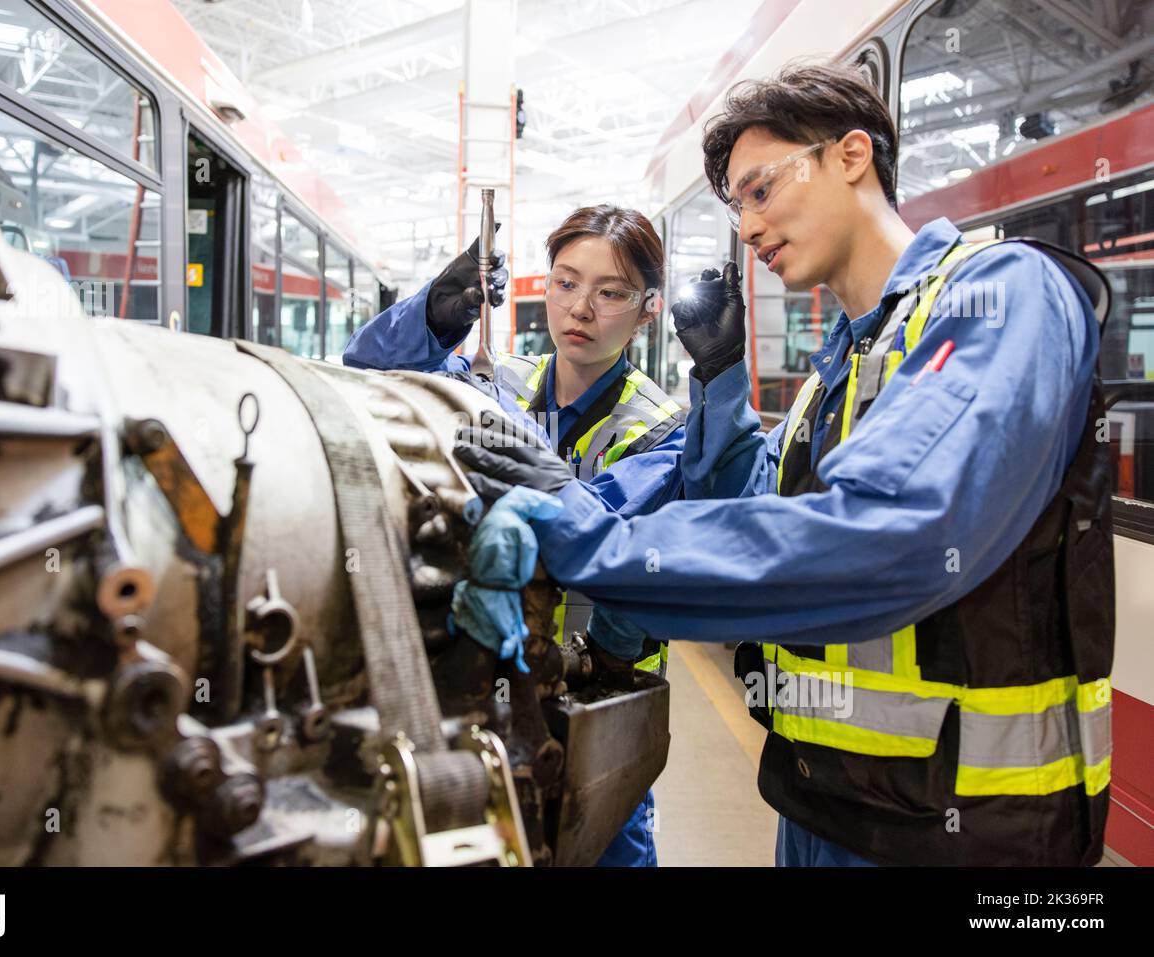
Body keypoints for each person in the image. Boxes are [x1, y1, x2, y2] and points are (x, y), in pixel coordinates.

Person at [453, 63, 1114, 867]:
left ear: (851, 156)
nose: (747, 227)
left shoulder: (1003, 293)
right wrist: (722, 377)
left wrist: (583, 537)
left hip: (970, 839)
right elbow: (749, 516)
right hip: (823, 808)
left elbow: (888, 533)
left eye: (760, 190)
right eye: (736, 207)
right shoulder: (835, 373)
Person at [344, 204, 685, 867]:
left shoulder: (665, 430)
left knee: (602, 842)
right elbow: (369, 378)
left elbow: (615, 543)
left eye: (610, 292)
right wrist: (434, 317)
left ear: (648, 309)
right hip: (471, 693)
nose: (579, 308)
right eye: (565, 281)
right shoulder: (496, 382)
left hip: (595, 706)